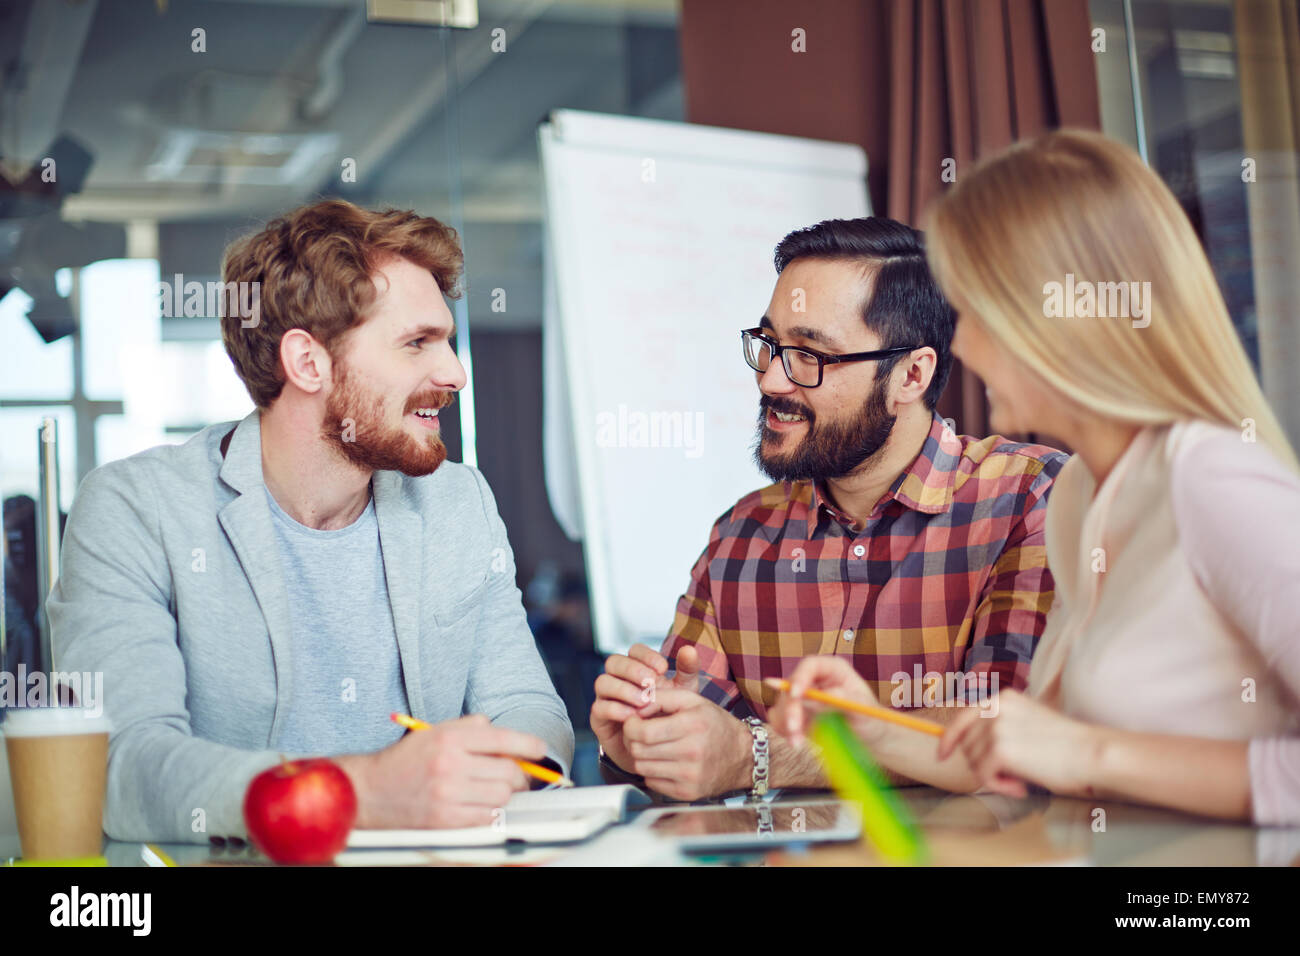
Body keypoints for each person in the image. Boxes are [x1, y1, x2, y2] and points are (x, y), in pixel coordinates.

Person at [771, 130, 1300, 825]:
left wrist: (1090, 754)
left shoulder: (1211, 480)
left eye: (976, 310)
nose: (961, 344)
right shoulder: (1080, 494)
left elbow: (1070, 752)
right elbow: (1020, 749)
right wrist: (868, 723)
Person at [48, 200, 573, 843]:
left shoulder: (459, 502)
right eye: (417, 344)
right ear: (308, 363)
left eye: (448, 342)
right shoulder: (135, 510)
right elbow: (125, 768)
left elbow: (529, 708)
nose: (455, 374)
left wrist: (510, 773)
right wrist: (366, 792)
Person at [592, 217, 1067, 801]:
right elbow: (697, 741)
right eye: (769, 345)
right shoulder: (741, 535)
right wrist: (643, 744)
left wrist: (758, 757)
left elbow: (1007, 730)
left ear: (910, 375)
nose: (770, 380)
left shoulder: (1025, 498)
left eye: (810, 354)